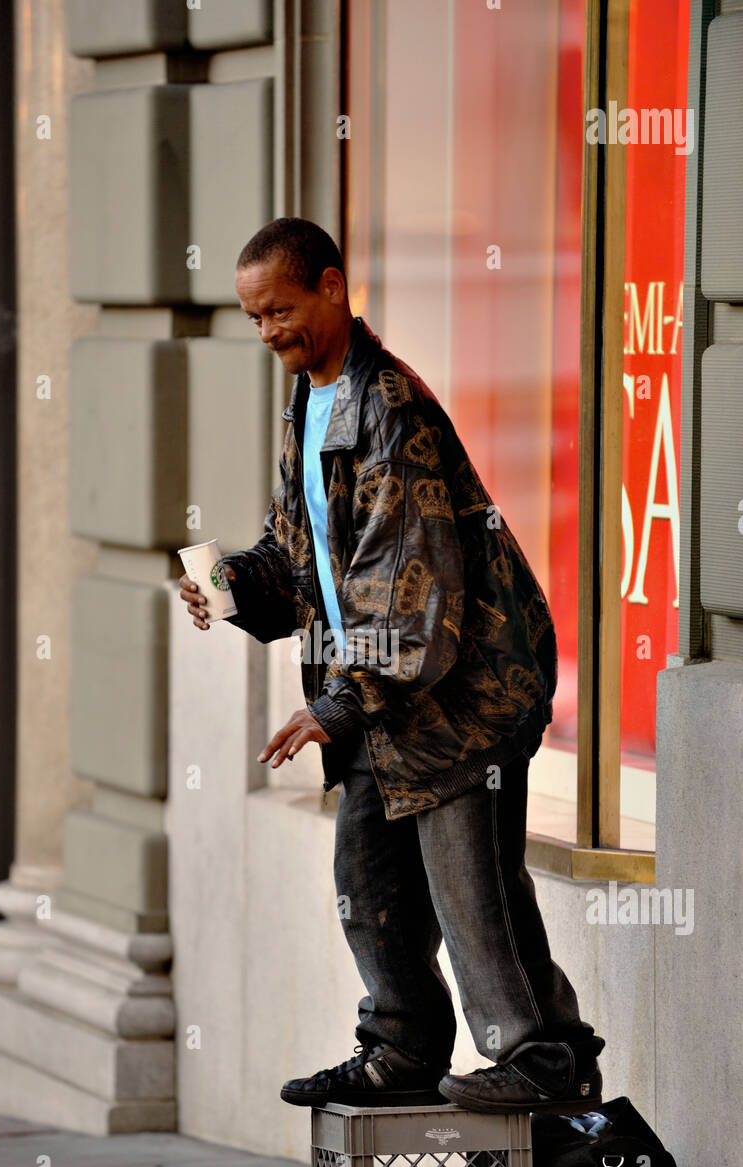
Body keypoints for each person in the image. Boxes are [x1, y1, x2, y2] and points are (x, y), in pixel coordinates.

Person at [179, 217, 605, 1115]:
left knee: (473, 897)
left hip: (462, 704)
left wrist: (337, 705)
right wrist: (232, 585)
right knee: (367, 884)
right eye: (254, 317)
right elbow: (298, 552)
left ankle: (543, 1057)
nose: (267, 332)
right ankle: (402, 1048)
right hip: (384, 706)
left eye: (280, 311)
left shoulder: (390, 409)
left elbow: (411, 596)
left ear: (332, 288)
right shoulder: (309, 401)